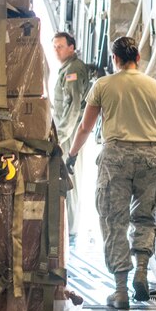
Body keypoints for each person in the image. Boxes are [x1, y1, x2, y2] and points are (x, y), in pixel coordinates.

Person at [64, 37, 156, 309]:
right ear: (138, 58)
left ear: (114, 59)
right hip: (151, 157)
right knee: (144, 218)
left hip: (115, 157)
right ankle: (142, 270)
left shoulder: (103, 85)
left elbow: (84, 127)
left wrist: (71, 155)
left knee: (113, 220)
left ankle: (121, 291)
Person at [51, 32, 94, 244]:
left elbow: (74, 108)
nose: (57, 50)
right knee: (65, 179)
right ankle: (67, 226)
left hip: (70, 134)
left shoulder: (74, 70)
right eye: (55, 47)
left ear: (72, 47)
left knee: (70, 178)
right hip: (65, 132)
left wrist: (60, 137)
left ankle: (71, 229)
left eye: (60, 46)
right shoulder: (66, 69)